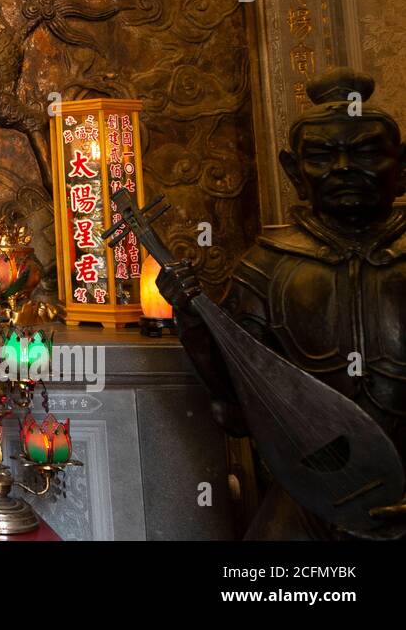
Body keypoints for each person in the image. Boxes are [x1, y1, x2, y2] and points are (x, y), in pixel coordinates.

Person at [158, 68, 406, 538]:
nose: (343, 169)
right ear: (294, 171)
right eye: (321, 156)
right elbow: (236, 395)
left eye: (365, 152)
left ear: (402, 166)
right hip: (310, 489)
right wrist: (192, 319)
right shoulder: (268, 266)